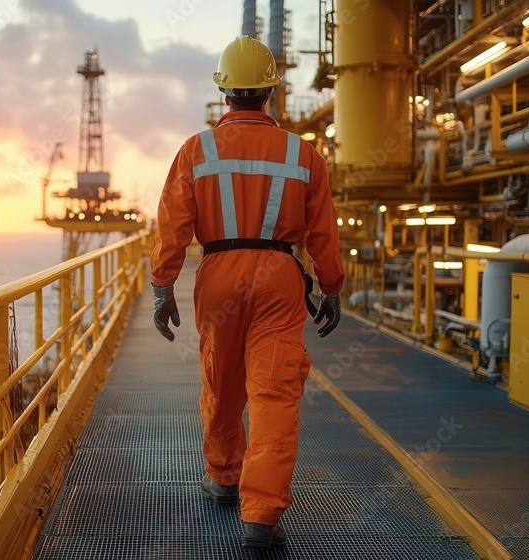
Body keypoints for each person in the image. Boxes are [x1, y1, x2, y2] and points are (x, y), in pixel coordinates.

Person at [149, 35, 345, 549]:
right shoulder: (304, 154)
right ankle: (260, 518)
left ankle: (222, 476)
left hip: (218, 275)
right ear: (269, 92)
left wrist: (162, 286)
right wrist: (331, 287)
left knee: (222, 379)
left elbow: (172, 225)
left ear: (225, 91)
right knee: (274, 393)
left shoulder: (196, 150)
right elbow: (323, 232)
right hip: (279, 277)